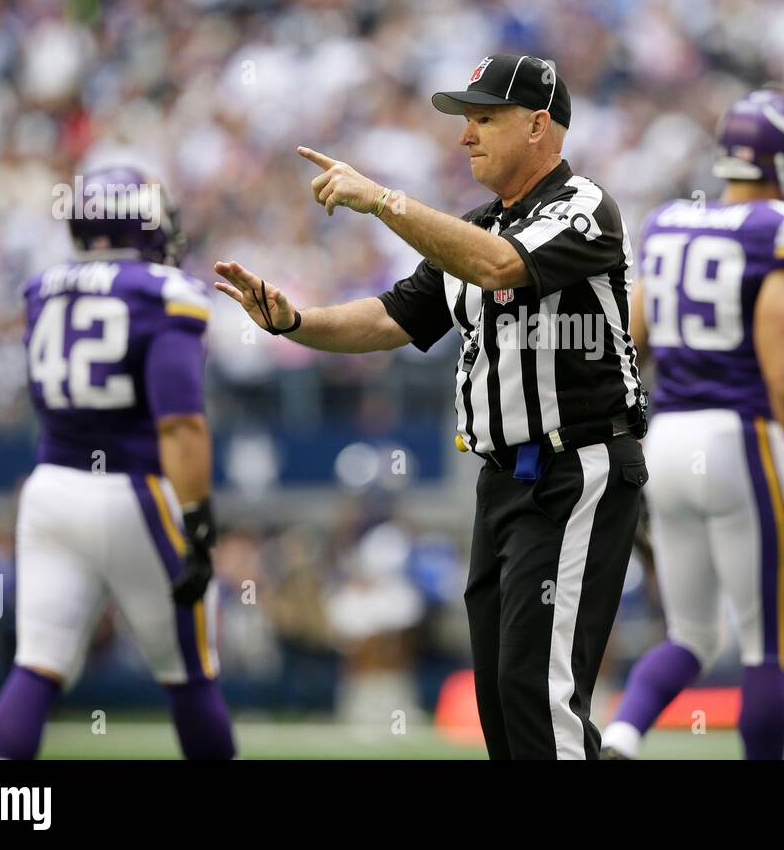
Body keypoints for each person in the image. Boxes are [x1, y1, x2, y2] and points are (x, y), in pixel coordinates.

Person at [214, 55, 648, 759]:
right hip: (503, 479)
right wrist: (296, 322)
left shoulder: (583, 206)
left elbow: (499, 266)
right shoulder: (477, 225)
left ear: (539, 125)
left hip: (578, 470)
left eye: (483, 119)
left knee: (540, 694)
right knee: (505, 704)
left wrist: (382, 199)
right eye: (464, 121)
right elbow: (393, 318)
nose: (465, 137)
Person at [599, 87, 784, 760]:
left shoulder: (670, 223)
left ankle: (621, 738)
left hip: (670, 441)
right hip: (742, 437)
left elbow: (633, 342)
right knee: (770, 642)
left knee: (689, 635)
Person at [0, 167, 235, 760]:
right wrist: (197, 515)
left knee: (37, 665)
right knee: (189, 671)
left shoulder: (42, 287)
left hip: (50, 489)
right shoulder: (164, 291)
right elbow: (179, 420)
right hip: (134, 490)